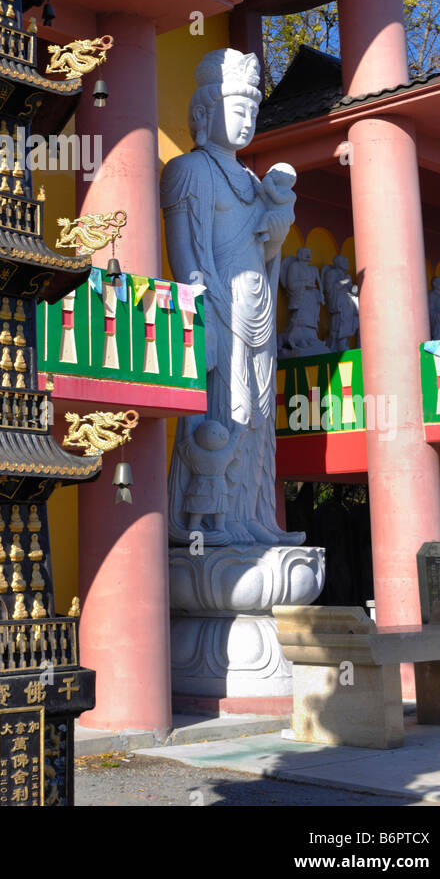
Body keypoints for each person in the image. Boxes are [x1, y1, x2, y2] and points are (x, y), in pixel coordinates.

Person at [161, 48, 304, 546]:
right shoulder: (187, 170)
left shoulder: (251, 180)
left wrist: (277, 229)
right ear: (204, 112)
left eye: (252, 113)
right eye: (235, 110)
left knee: (260, 415)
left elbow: (266, 248)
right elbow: (182, 245)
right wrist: (198, 289)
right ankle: (207, 520)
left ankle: (251, 517)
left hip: (256, 301)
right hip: (218, 300)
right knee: (226, 411)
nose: (246, 122)